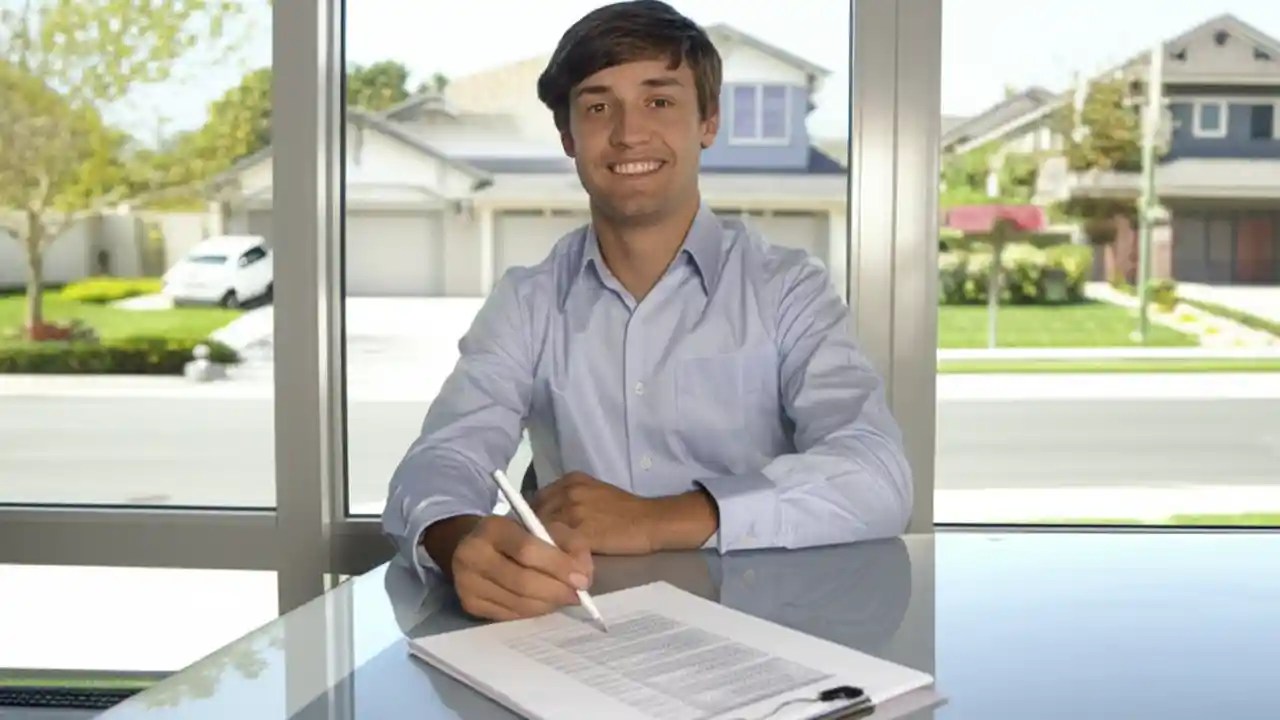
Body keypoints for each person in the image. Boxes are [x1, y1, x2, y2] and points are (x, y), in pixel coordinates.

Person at [383, 0, 912, 622]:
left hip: (768, 634)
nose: (629, 132)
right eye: (598, 106)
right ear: (568, 137)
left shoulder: (788, 288)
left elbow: (877, 476)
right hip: (581, 635)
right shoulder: (527, 301)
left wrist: (660, 520)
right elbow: (440, 460)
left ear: (708, 122)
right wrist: (457, 541)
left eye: (659, 101)